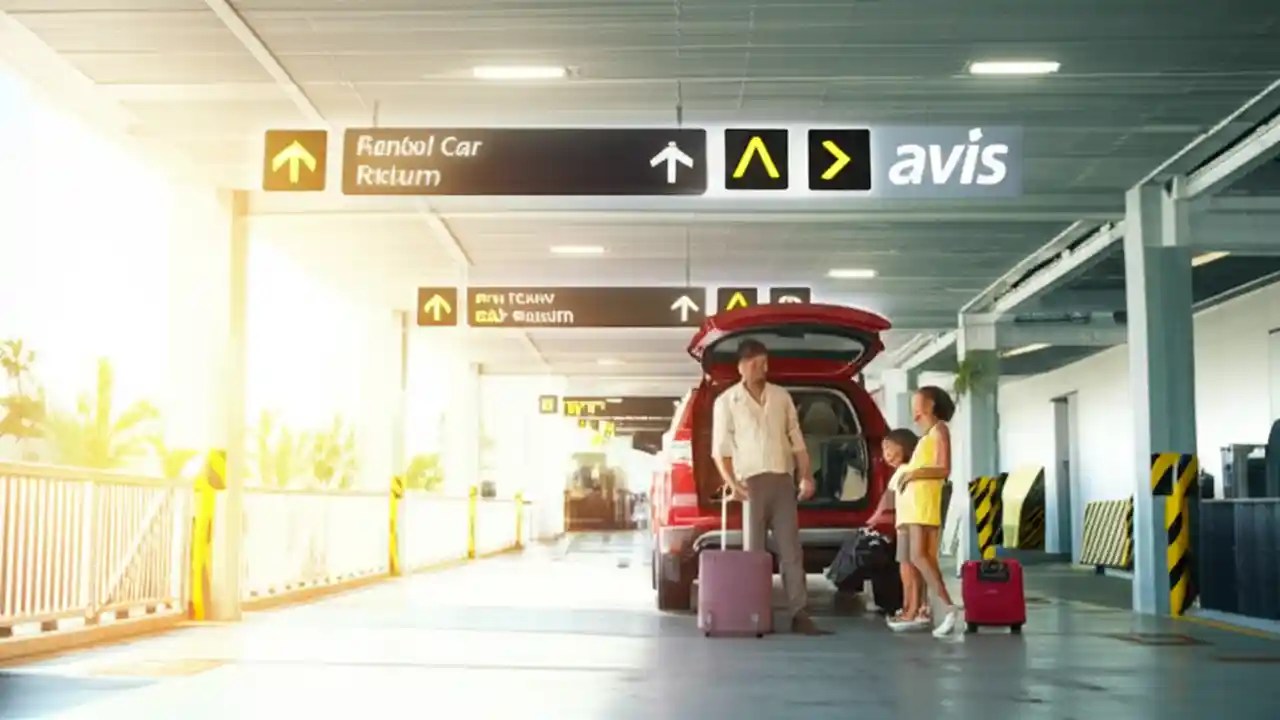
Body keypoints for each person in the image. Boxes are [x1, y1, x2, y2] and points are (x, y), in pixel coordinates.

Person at [712, 339, 830, 635]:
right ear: (741, 366)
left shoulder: (781, 396)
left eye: (765, 363)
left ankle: (799, 613)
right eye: (755, 364)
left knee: (791, 549)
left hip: (781, 480)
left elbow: (797, 440)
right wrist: (732, 485)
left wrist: (806, 476)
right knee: (754, 552)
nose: (762, 369)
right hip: (749, 482)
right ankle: (755, 611)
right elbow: (720, 450)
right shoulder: (726, 401)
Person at [895, 385, 962, 637]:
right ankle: (926, 609)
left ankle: (947, 607)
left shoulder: (940, 430)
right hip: (915, 506)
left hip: (924, 506)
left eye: (917, 407)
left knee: (921, 557)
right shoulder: (927, 436)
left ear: (931, 405)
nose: (915, 415)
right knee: (919, 558)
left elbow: (944, 468)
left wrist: (913, 473)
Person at [865, 428, 928, 630]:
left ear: (905, 450)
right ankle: (918, 608)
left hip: (906, 525)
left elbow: (886, 502)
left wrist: (872, 521)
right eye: (885, 451)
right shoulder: (914, 470)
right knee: (916, 567)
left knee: (907, 568)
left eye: (890, 450)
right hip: (915, 522)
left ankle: (909, 609)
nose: (886, 456)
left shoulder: (902, 472)